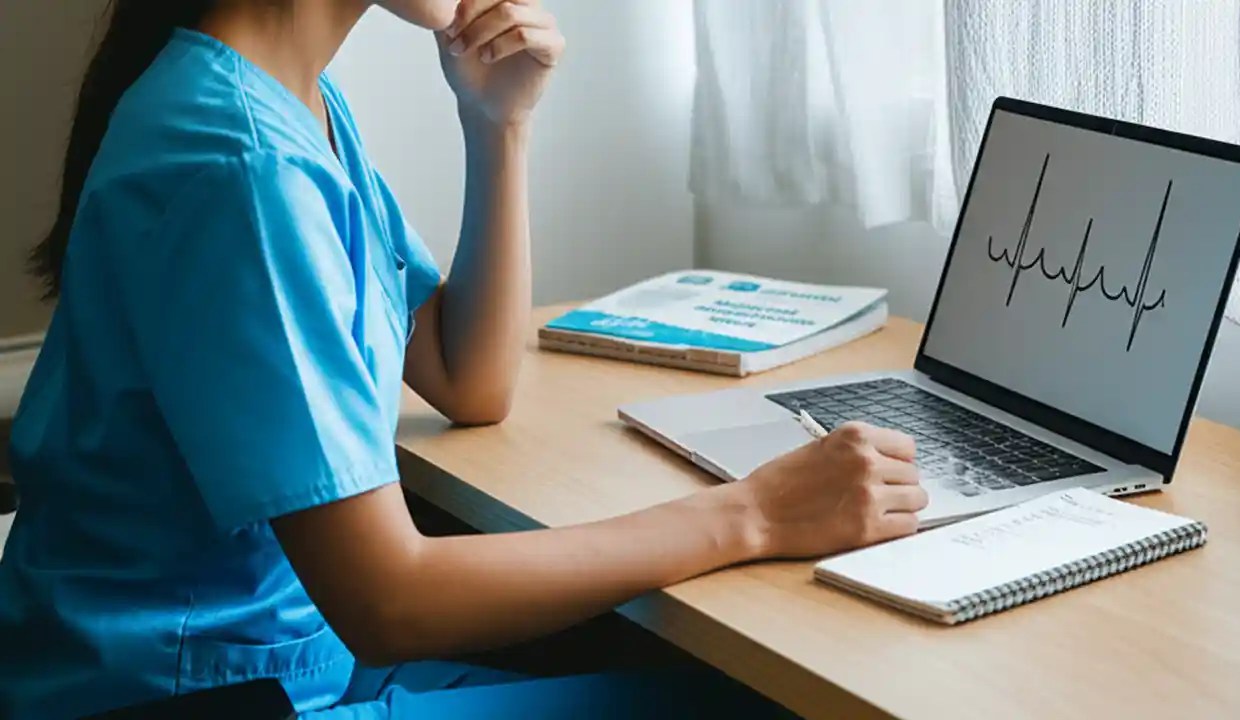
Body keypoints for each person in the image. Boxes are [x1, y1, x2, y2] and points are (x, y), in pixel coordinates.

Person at [0, 1, 928, 717]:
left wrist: (498, 124)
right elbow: (390, 601)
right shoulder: (239, 165)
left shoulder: (292, 103)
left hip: (287, 666)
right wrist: (752, 514)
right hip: (194, 696)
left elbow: (464, 375)